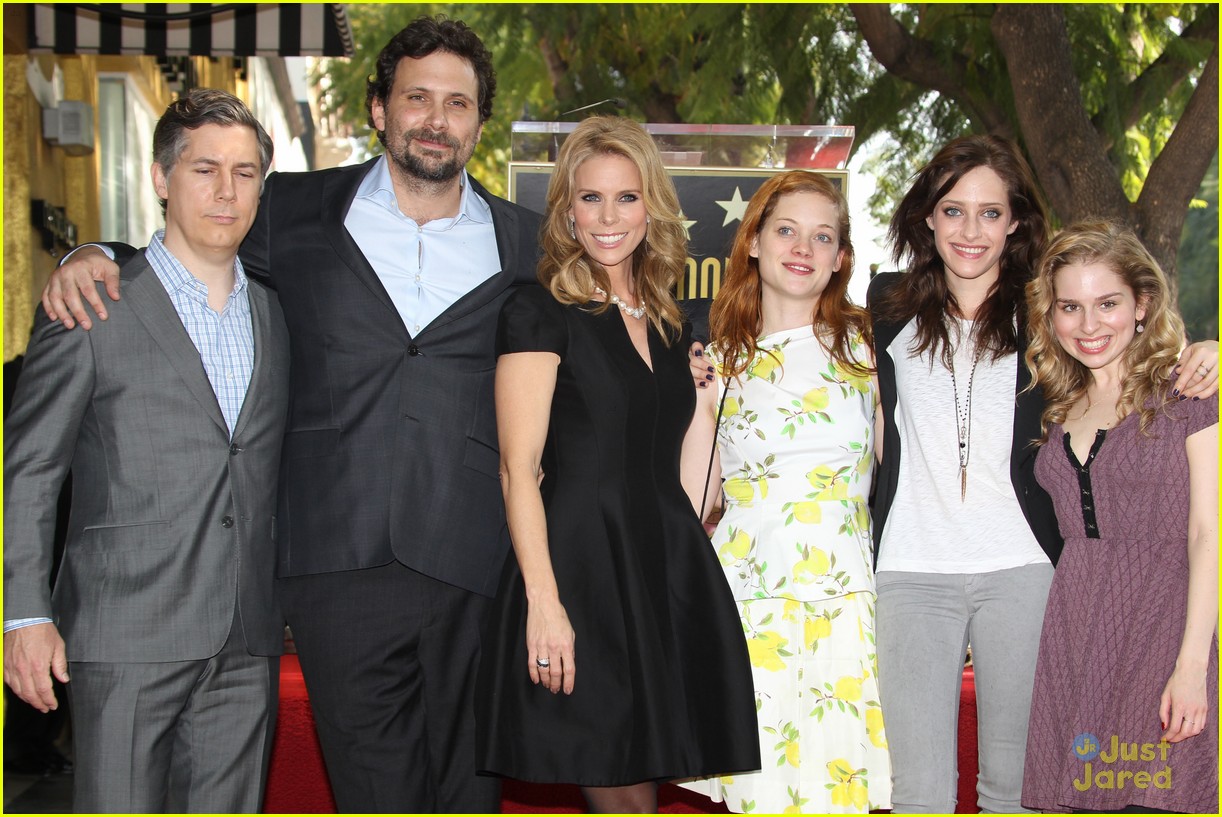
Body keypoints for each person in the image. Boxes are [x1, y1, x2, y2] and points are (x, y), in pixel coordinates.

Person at [40, 16, 542, 812]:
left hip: (477, 564)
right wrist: (90, 255)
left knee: (469, 795)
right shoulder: (291, 208)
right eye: (417, 97)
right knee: (375, 796)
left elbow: (602, 332)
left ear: (480, 121)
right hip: (335, 566)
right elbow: (193, 246)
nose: (436, 119)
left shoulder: (529, 243)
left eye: (457, 103)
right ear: (378, 108)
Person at [866, 135, 1218, 813]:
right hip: (911, 571)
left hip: (1025, 573)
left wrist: (1210, 349)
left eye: (991, 212)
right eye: (953, 210)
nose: (971, 230)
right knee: (918, 793)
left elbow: (1130, 344)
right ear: (928, 218)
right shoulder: (887, 307)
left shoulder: (1045, 316)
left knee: (1017, 791)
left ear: (1016, 222)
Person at [3, 89, 288, 812]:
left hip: (246, 639)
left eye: (245, 172)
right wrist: (23, 614)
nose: (226, 191)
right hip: (123, 633)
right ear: (162, 178)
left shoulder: (276, 313)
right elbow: (29, 472)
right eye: (204, 169)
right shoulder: (90, 304)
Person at [475, 115, 760, 813]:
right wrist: (545, 604)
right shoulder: (537, 311)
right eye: (591, 198)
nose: (608, 217)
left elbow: (686, 476)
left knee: (647, 786)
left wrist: (706, 402)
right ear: (567, 210)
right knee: (619, 789)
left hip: (660, 568)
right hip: (580, 571)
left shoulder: (671, 324)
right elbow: (518, 470)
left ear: (651, 207)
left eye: (626, 197)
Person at [679, 170, 891, 813]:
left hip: (847, 600)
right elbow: (693, 503)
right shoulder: (717, 361)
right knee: (761, 791)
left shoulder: (871, 352)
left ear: (841, 257)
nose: (803, 248)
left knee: (841, 788)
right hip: (748, 599)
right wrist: (694, 399)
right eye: (787, 230)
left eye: (822, 237)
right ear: (753, 242)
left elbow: (904, 475)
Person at [1020, 221, 1217, 813]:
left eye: (1107, 303)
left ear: (1142, 304)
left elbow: (1208, 533)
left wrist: (1192, 666)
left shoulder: (1189, 393)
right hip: (1075, 633)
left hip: (1165, 626)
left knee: (1162, 794)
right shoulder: (1055, 405)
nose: (1089, 325)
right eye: (1070, 307)